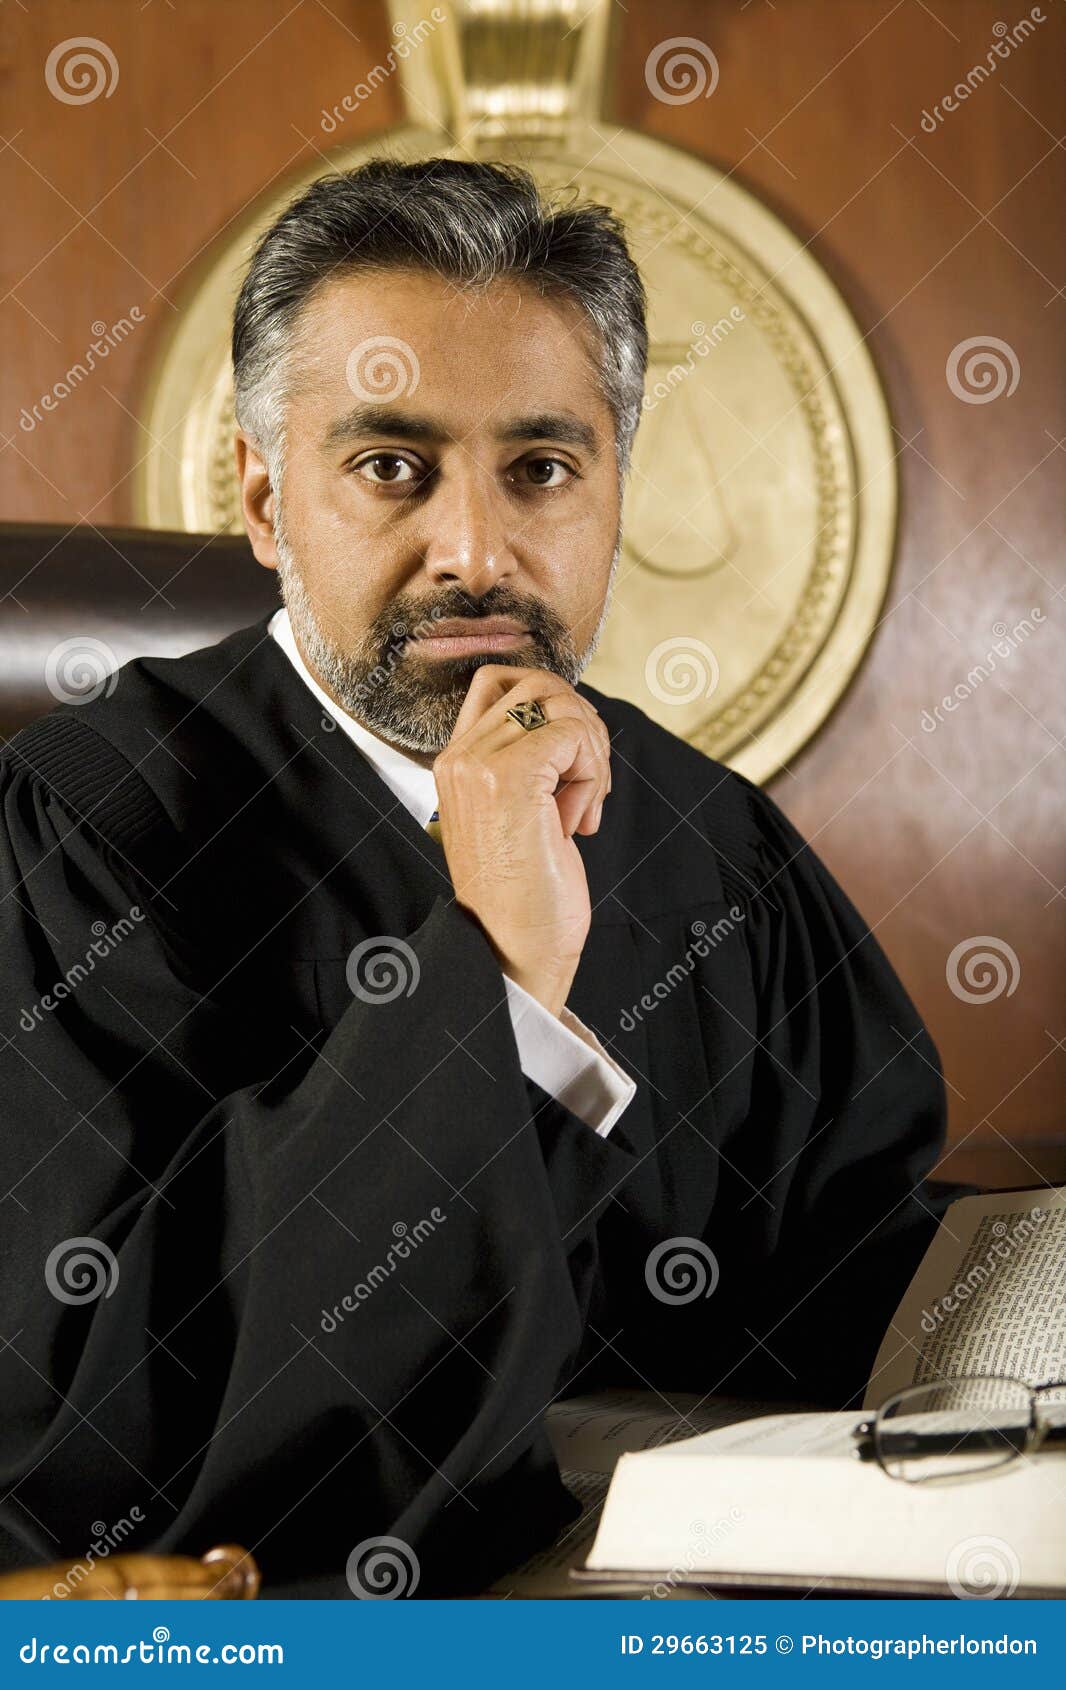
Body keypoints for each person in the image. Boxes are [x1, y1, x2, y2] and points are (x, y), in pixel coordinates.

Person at [0, 158, 952, 1598]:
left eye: (540, 468)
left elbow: (852, 1282)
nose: (475, 551)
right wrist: (497, 964)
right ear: (265, 501)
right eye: (392, 466)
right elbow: (92, 1439)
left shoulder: (715, 848)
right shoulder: (88, 833)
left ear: (613, 492)